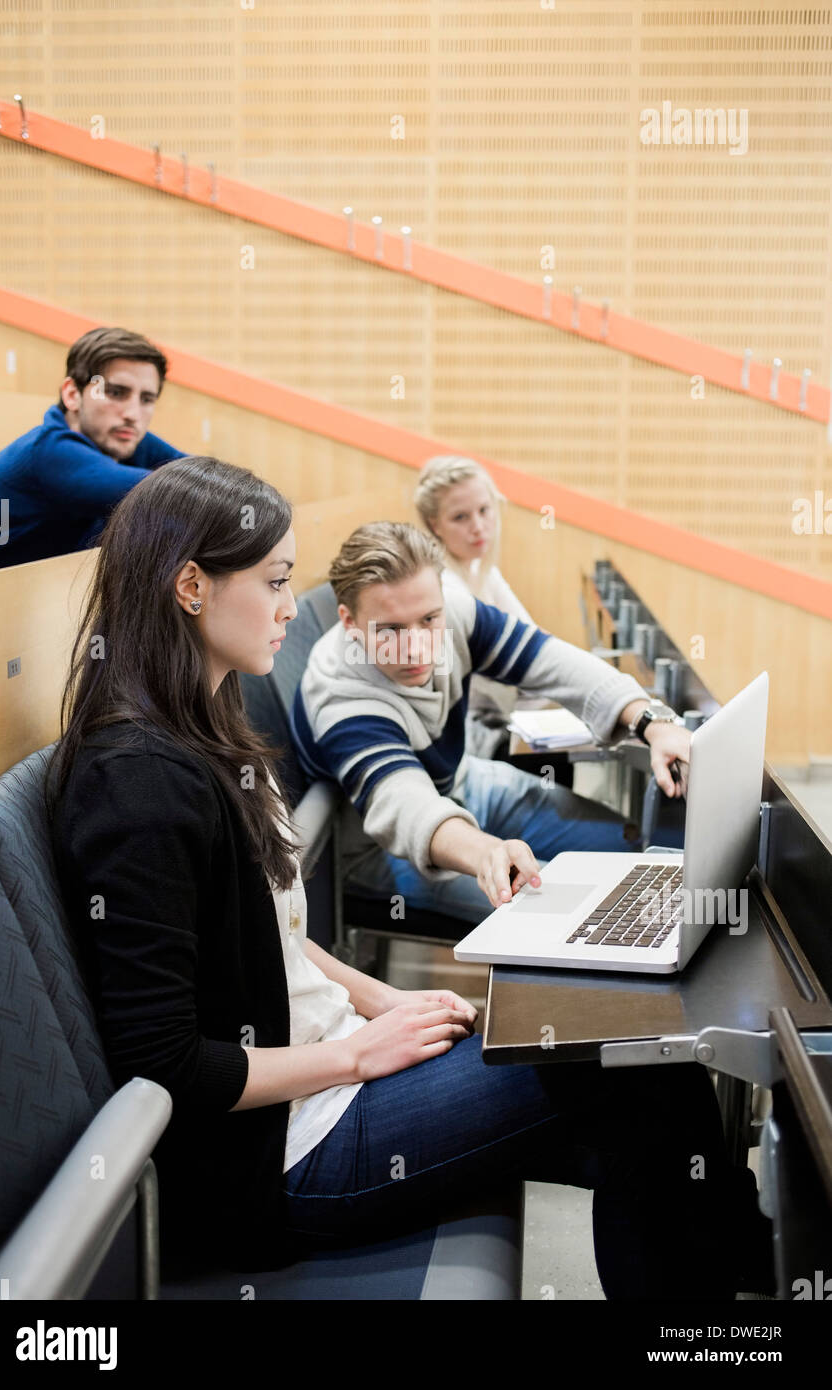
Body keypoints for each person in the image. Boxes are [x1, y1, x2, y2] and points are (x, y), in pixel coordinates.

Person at [46, 456, 773, 1298]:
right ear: (190, 588)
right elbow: (166, 1062)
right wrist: (358, 1056)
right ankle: (749, 1275)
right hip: (289, 1155)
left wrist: (381, 1001)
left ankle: (737, 1289)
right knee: (637, 1073)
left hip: (323, 1074)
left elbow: (275, 939)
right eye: (277, 581)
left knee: (646, 1101)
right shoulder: (137, 780)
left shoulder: (208, 727)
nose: (292, 608)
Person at [290, 521, 686, 926]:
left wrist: (652, 721)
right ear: (349, 621)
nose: (417, 646)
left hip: (466, 782)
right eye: (391, 629)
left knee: (636, 850)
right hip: (383, 849)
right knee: (584, 910)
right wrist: (485, 854)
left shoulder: (452, 609)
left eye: (429, 619)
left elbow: (550, 660)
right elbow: (407, 805)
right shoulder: (339, 694)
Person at [0, 326, 185, 573]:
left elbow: (204, 477)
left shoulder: (121, 435)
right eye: (115, 393)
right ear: (72, 394)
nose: (133, 414)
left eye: (146, 399)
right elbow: (177, 496)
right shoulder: (50, 452)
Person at [415, 452, 538, 760]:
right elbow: (520, 664)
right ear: (435, 524)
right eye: (461, 517)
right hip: (462, 743)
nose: (479, 527)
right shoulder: (443, 586)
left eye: (485, 510)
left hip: (493, 723)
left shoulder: (479, 569)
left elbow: (532, 640)